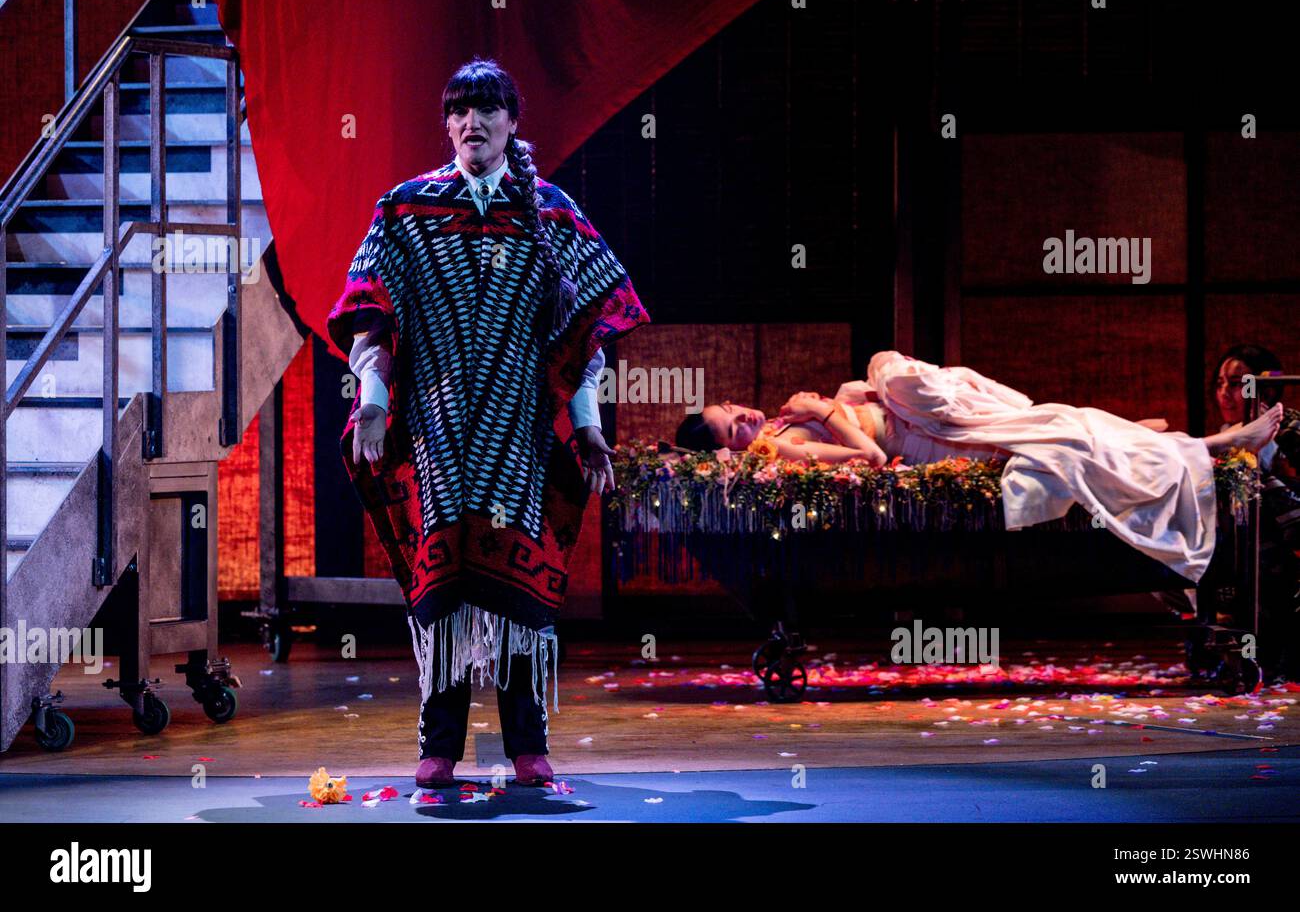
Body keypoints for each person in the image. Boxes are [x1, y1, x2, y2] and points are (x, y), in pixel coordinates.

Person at [327, 58, 651, 789]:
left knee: (517, 589)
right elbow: (371, 318)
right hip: (440, 440)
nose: (474, 122)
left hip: (517, 440)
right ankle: (438, 744)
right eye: (461, 110)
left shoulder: (552, 214)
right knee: (440, 587)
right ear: (447, 124)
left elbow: (583, 340)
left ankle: (527, 742)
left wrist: (589, 425)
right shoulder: (407, 210)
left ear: (512, 122)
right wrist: (372, 401)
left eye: (488, 109)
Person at [674, 350, 1284, 584]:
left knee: (1066, 424)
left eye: (732, 407)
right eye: (735, 426)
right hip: (929, 446)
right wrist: (826, 408)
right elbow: (872, 458)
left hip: (914, 421)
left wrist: (855, 393)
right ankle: (1209, 443)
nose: (745, 415)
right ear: (729, 450)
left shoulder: (777, 425)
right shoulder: (781, 448)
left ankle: (1148, 435)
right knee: (1065, 437)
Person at [1211, 343, 1300, 677]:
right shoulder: (1224, 436)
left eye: (1236, 384)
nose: (1225, 393)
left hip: (1271, 549)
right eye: (1220, 383)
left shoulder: (1280, 433)